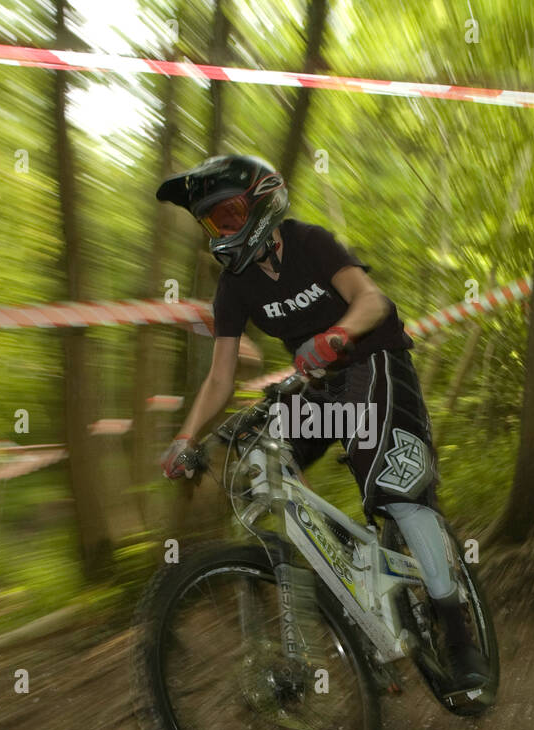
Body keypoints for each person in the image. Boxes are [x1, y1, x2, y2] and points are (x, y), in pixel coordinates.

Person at [154, 153, 489, 695]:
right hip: (320, 385)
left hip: (376, 363)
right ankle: (345, 570)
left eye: (233, 214)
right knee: (260, 461)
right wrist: (186, 437)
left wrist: (338, 334)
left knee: (399, 495)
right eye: (215, 223)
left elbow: (371, 299)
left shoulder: (310, 242)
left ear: (264, 201)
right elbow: (219, 378)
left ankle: (458, 636)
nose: (226, 230)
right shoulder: (234, 286)